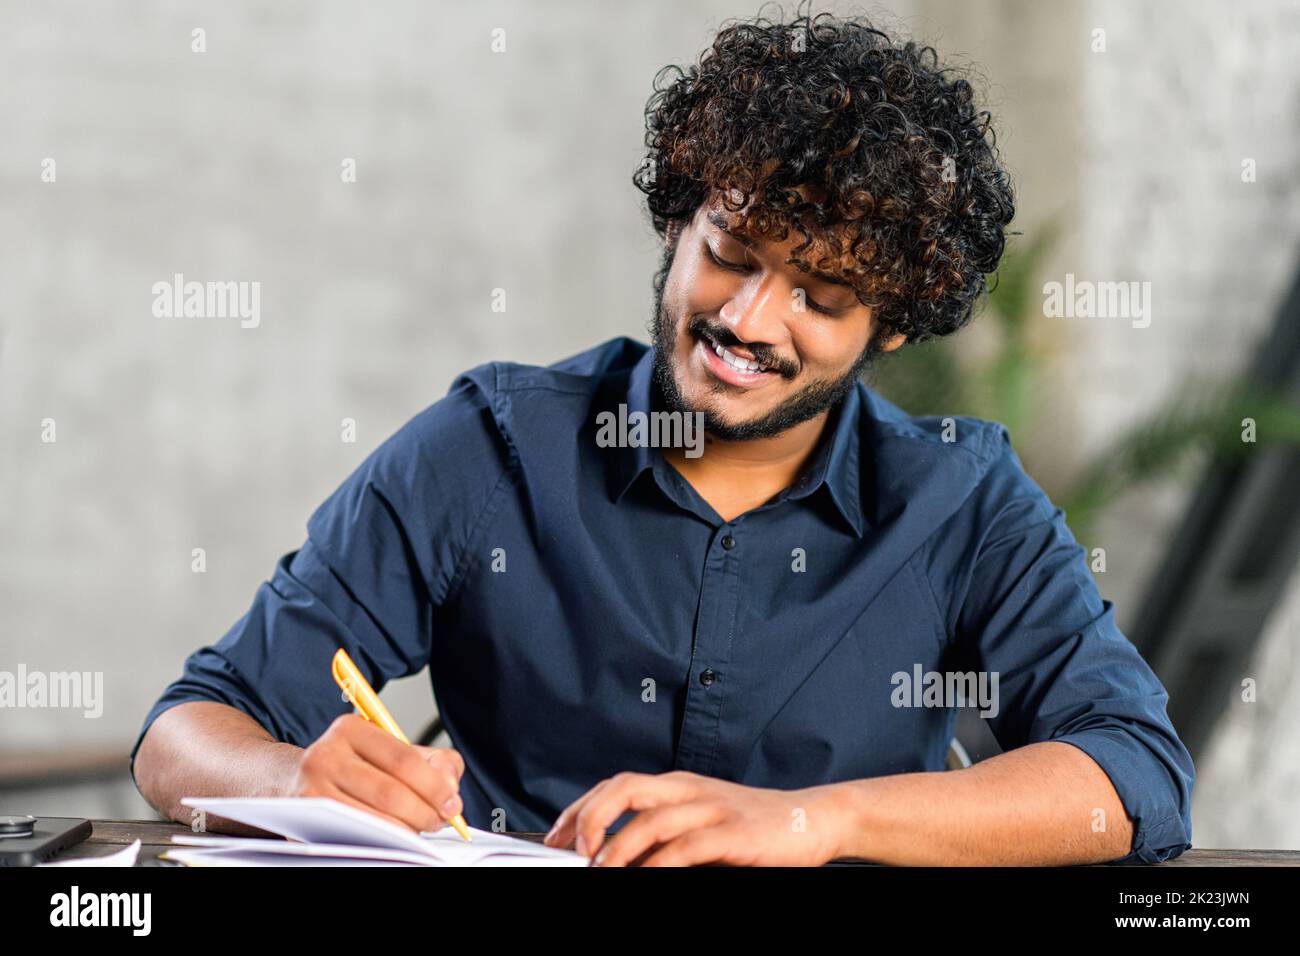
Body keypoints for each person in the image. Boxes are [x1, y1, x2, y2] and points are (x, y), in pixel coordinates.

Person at [132, 6, 1193, 866]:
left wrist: (814, 821)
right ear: (679, 221)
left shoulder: (964, 503)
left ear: (892, 324)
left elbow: (1135, 773)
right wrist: (287, 779)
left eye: (821, 297)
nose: (746, 318)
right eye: (730, 250)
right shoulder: (488, 448)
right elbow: (187, 728)